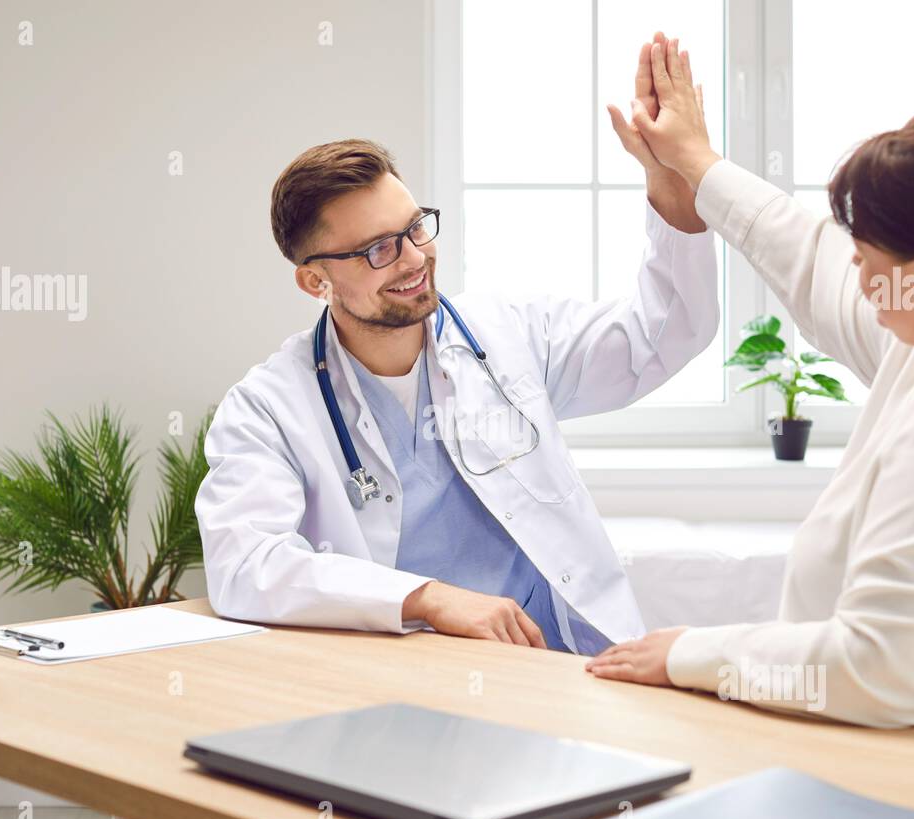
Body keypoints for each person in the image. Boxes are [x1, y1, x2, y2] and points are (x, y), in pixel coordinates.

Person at [587, 37, 914, 741]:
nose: (855, 270)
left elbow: (882, 671)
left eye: (867, 255)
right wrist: (696, 162)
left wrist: (690, 652)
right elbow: (807, 256)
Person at [194, 41, 720, 655]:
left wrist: (675, 189)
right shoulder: (268, 409)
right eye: (376, 250)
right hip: (417, 673)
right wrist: (427, 597)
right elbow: (245, 565)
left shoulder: (511, 334)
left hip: (566, 661)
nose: (415, 259)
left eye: (414, 228)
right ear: (316, 280)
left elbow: (663, 337)